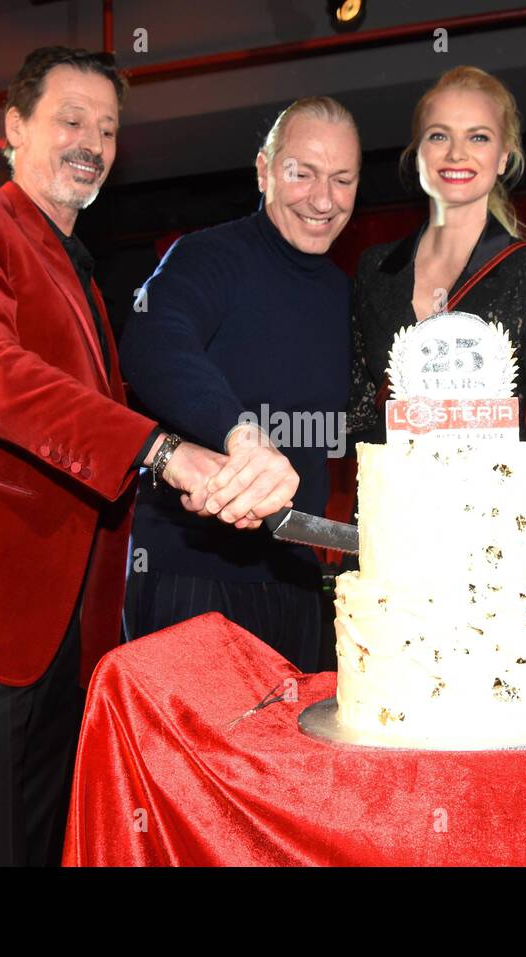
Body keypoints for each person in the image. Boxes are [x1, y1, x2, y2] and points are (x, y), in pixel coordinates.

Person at [0, 47, 253, 866]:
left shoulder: (81, 277)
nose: (92, 142)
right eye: (71, 119)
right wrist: (164, 450)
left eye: (107, 129)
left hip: (60, 636)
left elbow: (92, 438)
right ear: (14, 129)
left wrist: (209, 471)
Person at [119, 97, 360, 672]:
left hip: (298, 578)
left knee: (292, 763)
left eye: (342, 179)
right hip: (192, 579)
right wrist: (240, 434)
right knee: (188, 764)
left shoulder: (341, 292)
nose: (323, 200)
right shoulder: (207, 256)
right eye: (302, 173)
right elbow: (151, 342)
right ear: (264, 171)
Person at [348, 66, 526, 573]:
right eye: (439, 136)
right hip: (398, 539)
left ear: (503, 156)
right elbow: (360, 419)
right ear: (416, 153)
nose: (456, 154)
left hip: (499, 545)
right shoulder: (374, 270)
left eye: (478, 137)